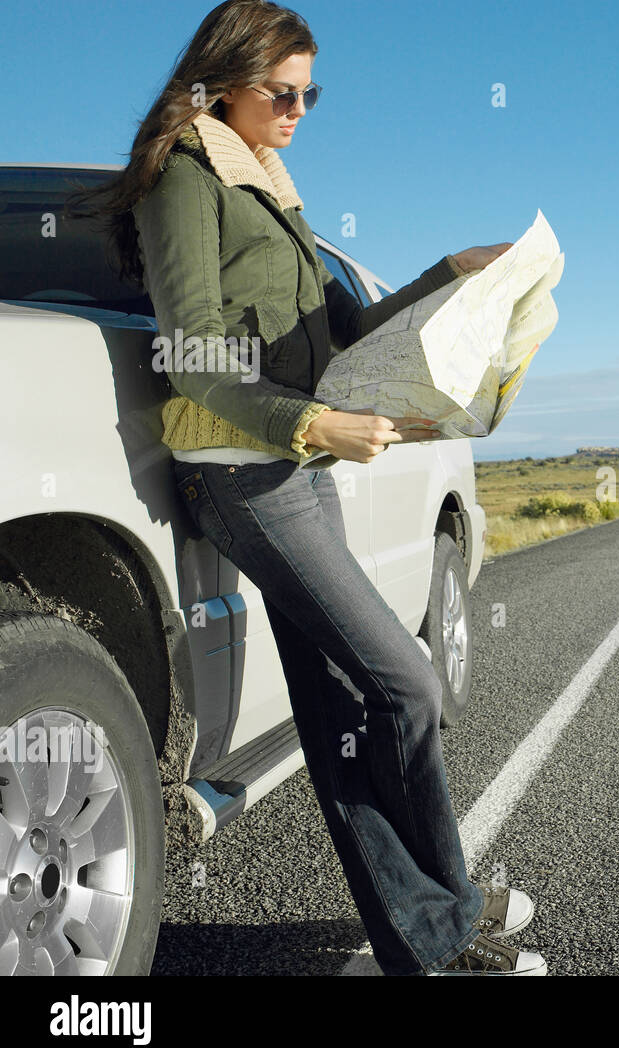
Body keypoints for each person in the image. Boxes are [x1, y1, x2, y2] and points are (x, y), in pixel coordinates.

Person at [66, 0, 545, 975]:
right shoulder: (184, 179)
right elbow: (193, 352)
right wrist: (311, 423)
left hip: (297, 467)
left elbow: (345, 335)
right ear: (223, 79)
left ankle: (428, 926)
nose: (297, 110)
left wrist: (453, 275)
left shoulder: (268, 187)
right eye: (282, 92)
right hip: (246, 473)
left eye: (309, 94)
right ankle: (445, 914)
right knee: (407, 682)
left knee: (338, 716)